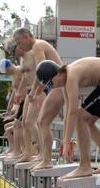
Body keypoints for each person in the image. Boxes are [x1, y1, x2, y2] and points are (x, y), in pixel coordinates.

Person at [33, 57, 100, 181]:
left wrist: (67, 142)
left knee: (81, 117)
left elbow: (73, 112)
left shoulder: (71, 74)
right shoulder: (66, 82)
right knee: (87, 121)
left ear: (57, 73)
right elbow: (68, 114)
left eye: (51, 83)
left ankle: (85, 166)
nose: (53, 87)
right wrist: (65, 141)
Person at [12, 28, 62, 165]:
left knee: (40, 122)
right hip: (45, 86)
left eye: (18, 41)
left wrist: (36, 91)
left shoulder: (38, 45)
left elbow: (43, 70)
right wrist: (30, 91)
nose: (19, 45)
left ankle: (44, 156)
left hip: (55, 86)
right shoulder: (33, 49)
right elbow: (36, 73)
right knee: (25, 122)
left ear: (27, 36)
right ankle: (29, 153)